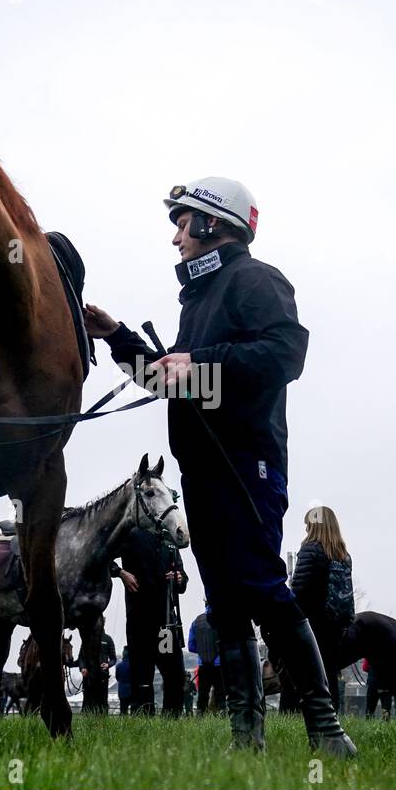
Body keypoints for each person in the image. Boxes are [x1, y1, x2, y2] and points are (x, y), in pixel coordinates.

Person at [85, 178, 353, 756]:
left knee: (261, 589)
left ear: (214, 225)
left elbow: (286, 354)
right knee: (226, 602)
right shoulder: (199, 299)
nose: (176, 237)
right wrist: (116, 337)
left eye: (184, 224)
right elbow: (171, 379)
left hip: (246, 466)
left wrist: (199, 361)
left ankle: (326, 729)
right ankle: (245, 735)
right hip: (201, 471)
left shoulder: (255, 279)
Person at [112, 526, 188, 716]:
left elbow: (182, 579)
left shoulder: (169, 539)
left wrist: (179, 579)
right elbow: (102, 555)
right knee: (142, 675)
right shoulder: (131, 534)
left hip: (165, 623)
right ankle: (143, 717)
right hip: (140, 622)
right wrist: (121, 573)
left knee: (174, 674)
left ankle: (172, 719)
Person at [287, 506, 355, 711]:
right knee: (329, 671)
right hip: (336, 623)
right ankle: (331, 713)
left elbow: (298, 587)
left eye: (308, 524)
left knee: (301, 669)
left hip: (310, 621)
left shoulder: (310, 549)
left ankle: (297, 713)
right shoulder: (343, 554)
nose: (306, 529)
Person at [188, 609, 221, 716]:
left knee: (202, 695)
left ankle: (201, 717)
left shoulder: (196, 622)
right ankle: (223, 716)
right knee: (221, 695)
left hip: (203, 666)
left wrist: (203, 651)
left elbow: (191, 646)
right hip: (219, 665)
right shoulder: (222, 618)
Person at [77, 631, 118, 713]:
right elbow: (81, 658)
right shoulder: (87, 638)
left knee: (102, 701)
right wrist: (82, 668)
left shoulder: (108, 639)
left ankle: (103, 718)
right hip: (88, 676)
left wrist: (107, 665)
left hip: (102, 676)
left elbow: (113, 659)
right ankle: (87, 718)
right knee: (88, 701)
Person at [115, 647, 132, 714]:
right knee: (134, 709)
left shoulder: (119, 666)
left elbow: (117, 678)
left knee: (123, 710)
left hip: (122, 690)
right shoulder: (134, 665)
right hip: (132, 689)